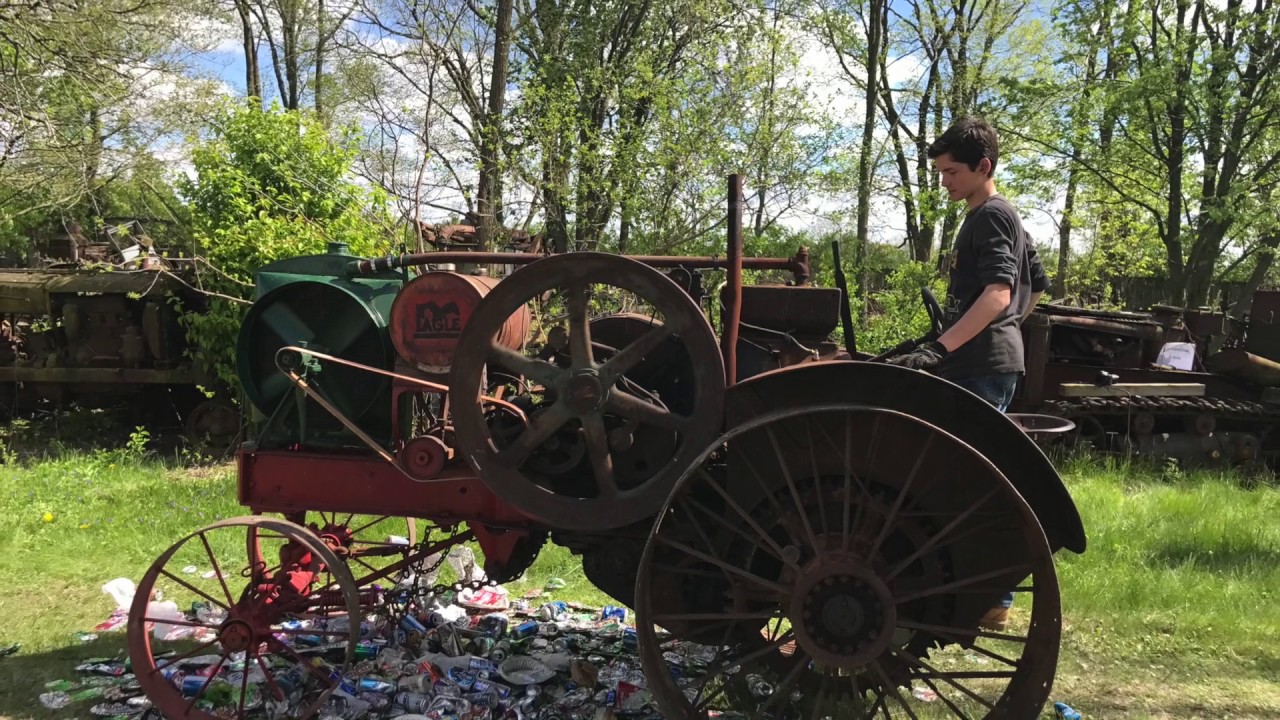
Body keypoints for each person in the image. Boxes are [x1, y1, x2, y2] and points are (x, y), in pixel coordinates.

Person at [887, 117, 1049, 630]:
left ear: (984, 167)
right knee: (961, 477)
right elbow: (1037, 285)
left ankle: (991, 598)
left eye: (952, 172)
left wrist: (944, 346)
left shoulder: (991, 217)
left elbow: (1000, 293)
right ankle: (982, 594)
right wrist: (1001, 331)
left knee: (965, 484)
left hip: (980, 368)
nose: (944, 182)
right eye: (939, 172)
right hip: (986, 360)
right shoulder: (998, 216)